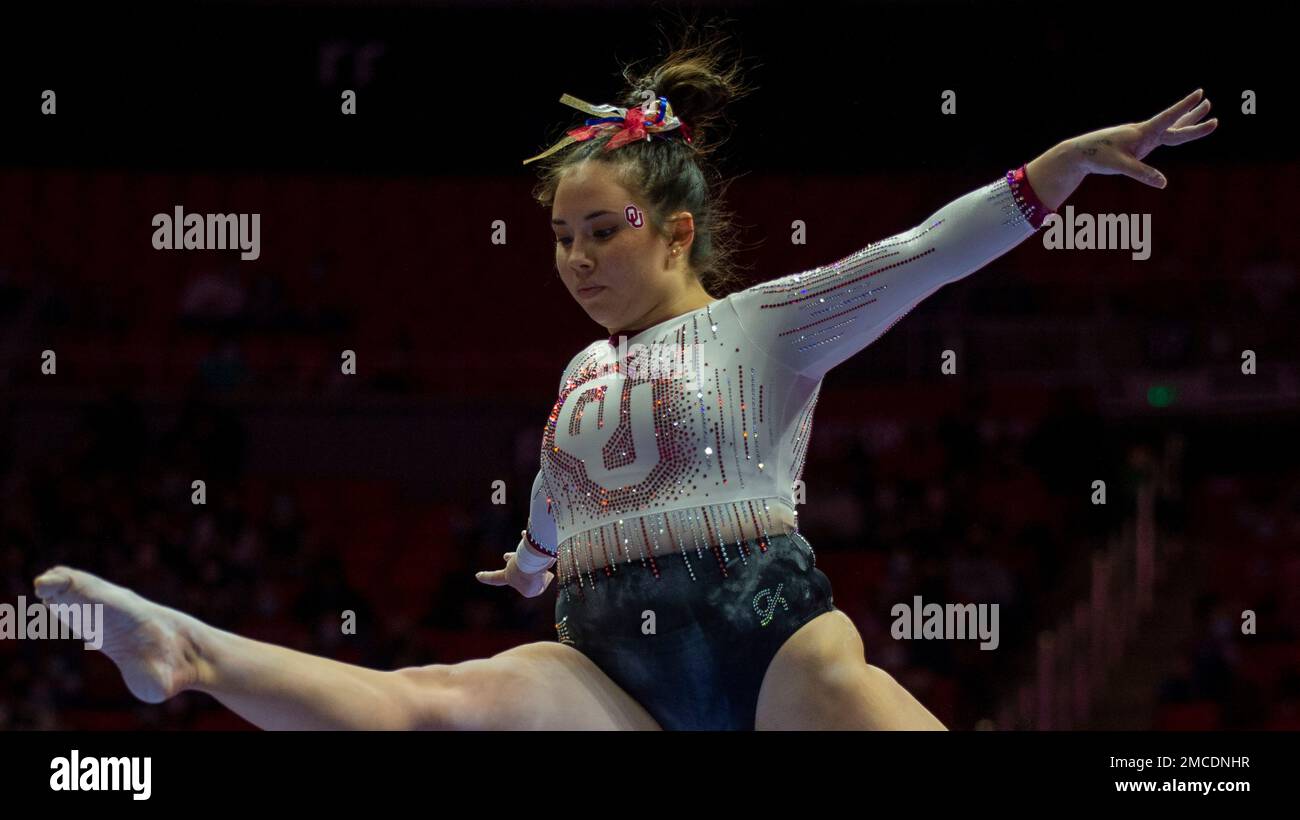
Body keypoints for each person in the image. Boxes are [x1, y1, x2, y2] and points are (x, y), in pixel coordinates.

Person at [34, 32, 1216, 731]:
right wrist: (537, 557)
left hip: (763, 634)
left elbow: (922, 254)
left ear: (677, 229)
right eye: (561, 238)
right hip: (601, 647)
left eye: (602, 231)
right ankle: (188, 653)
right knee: (431, 705)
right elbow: (566, 480)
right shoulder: (580, 368)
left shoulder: (769, 325)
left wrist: (1056, 170)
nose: (578, 258)